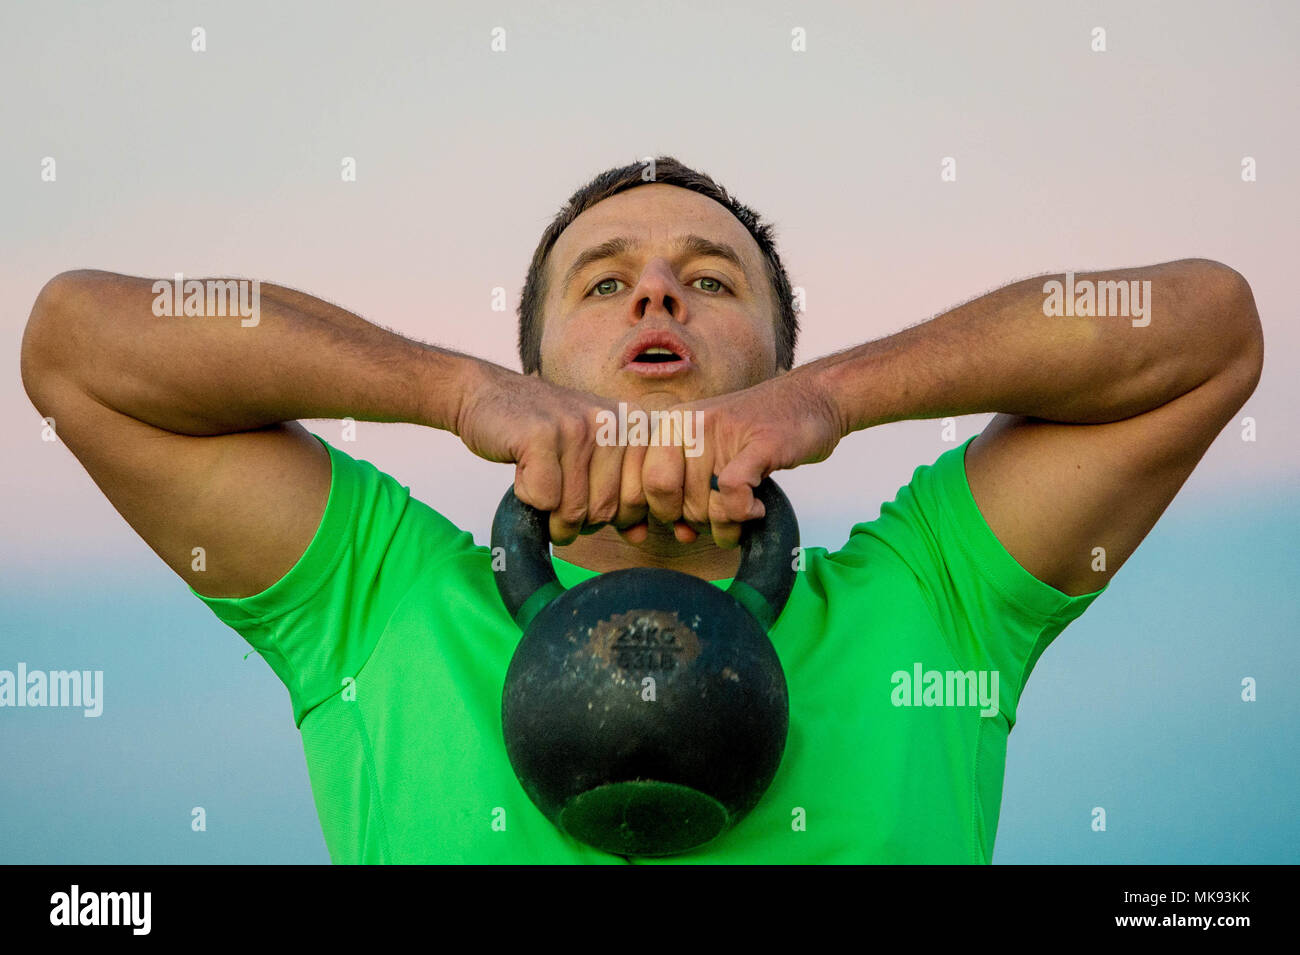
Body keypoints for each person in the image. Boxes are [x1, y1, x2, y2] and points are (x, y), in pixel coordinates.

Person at [18, 156, 1263, 864]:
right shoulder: (382, 601)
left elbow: (1205, 328)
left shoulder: (931, 599)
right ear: (536, 363)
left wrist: (831, 400)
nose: (656, 296)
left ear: (775, 356)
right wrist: (452, 394)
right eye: (604, 282)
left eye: (707, 280)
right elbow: (79, 345)